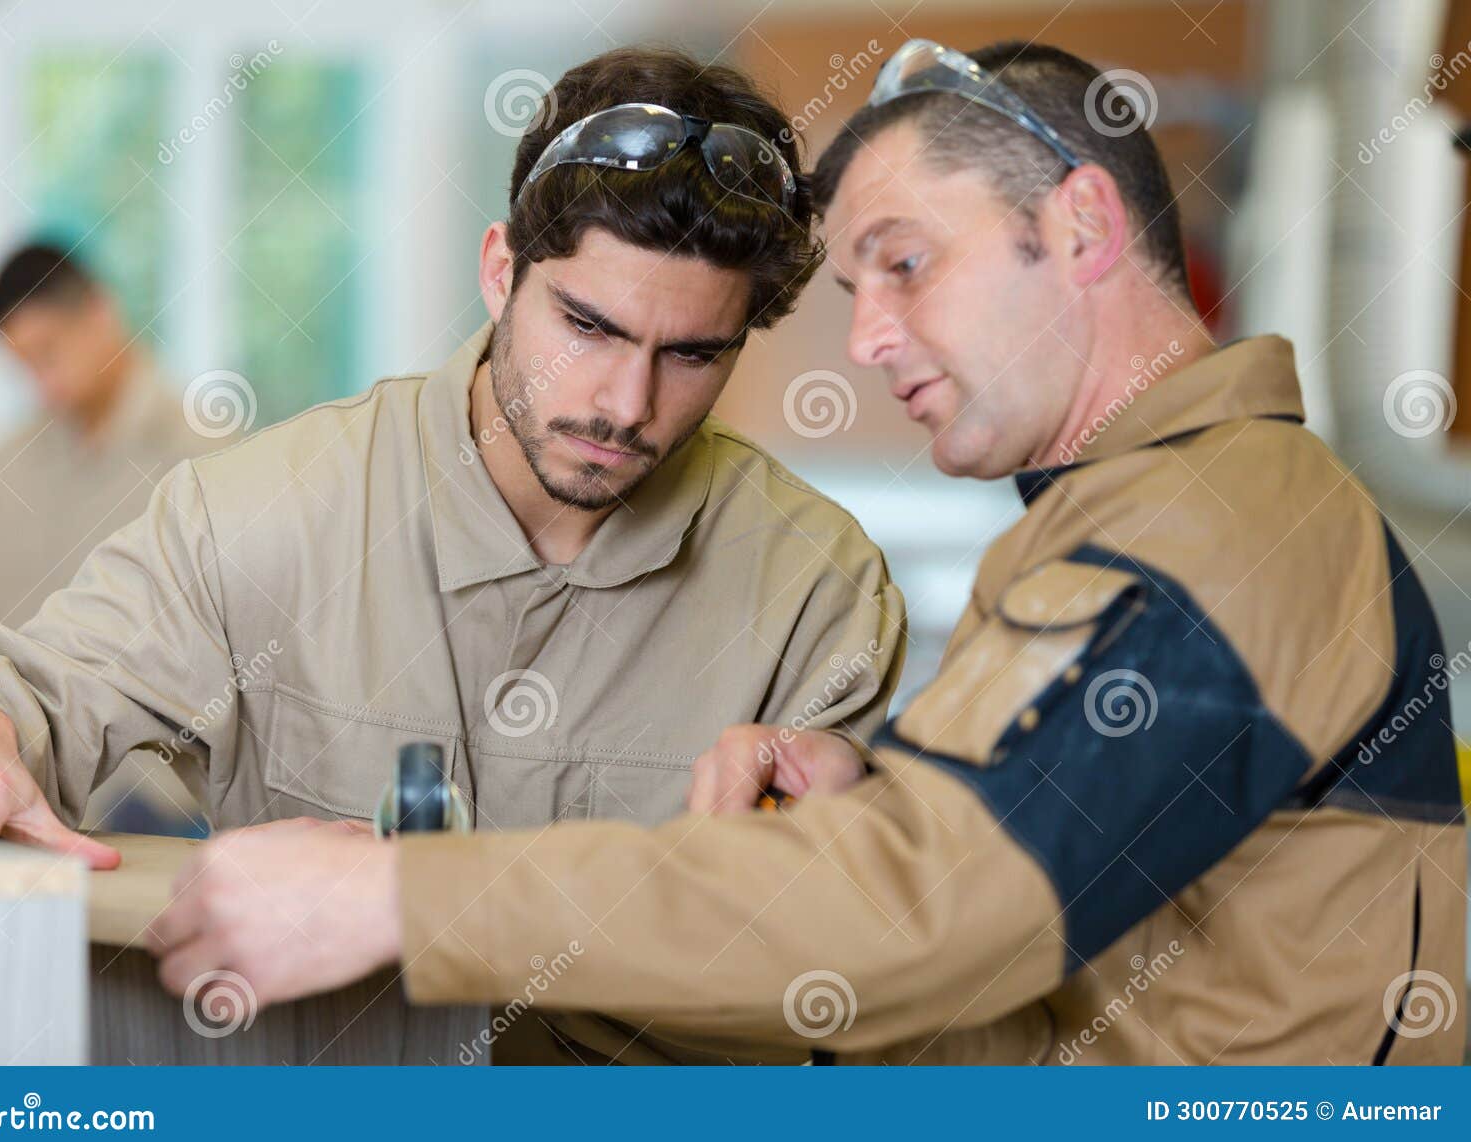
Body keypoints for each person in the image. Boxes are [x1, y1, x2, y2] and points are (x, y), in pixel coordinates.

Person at [121, 40, 1463, 1066]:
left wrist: (405, 900)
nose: (867, 342)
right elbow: (1020, 914)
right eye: (854, 291)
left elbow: (923, 915)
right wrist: (876, 805)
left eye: (905, 264)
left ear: (1079, 228)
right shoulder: (1134, 514)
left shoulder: (1215, 520)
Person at [0, 48, 905, 1064]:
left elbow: (844, 974)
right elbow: (32, 684)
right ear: (500, 271)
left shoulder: (819, 593)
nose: (626, 405)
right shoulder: (259, 511)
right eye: (587, 327)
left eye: (691, 354)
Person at [0, 242, 222, 834]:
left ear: (101, 313)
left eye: (48, 354)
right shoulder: (8, 467)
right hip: (8, 789)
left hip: (160, 802)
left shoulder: (205, 456)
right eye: (23, 366)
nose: (42, 384)